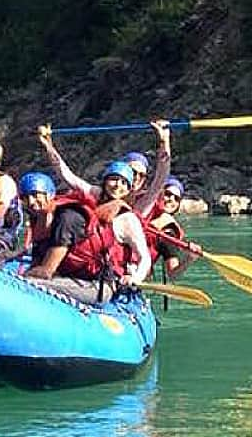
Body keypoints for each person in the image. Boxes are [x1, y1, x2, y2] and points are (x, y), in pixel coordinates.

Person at [18, 171, 152, 305]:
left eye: (36, 195)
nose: (30, 202)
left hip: (97, 286)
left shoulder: (68, 218)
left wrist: (135, 277)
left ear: (50, 194)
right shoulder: (40, 220)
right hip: (70, 277)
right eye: (25, 197)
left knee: (28, 285)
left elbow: (46, 271)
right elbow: (37, 263)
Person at [38, 120, 172, 222]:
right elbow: (68, 176)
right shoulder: (98, 193)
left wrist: (163, 141)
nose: (136, 177)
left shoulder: (142, 203)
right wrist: (48, 146)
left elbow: (160, 178)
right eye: (132, 172)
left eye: (141, 175)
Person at [148, 176, 199, 281]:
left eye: (176, 198)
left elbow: (173, 274)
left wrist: (190, 258)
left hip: (131, 279)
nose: (171, 199)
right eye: (168, 194)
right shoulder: (140, 208)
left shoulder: (168, 232)